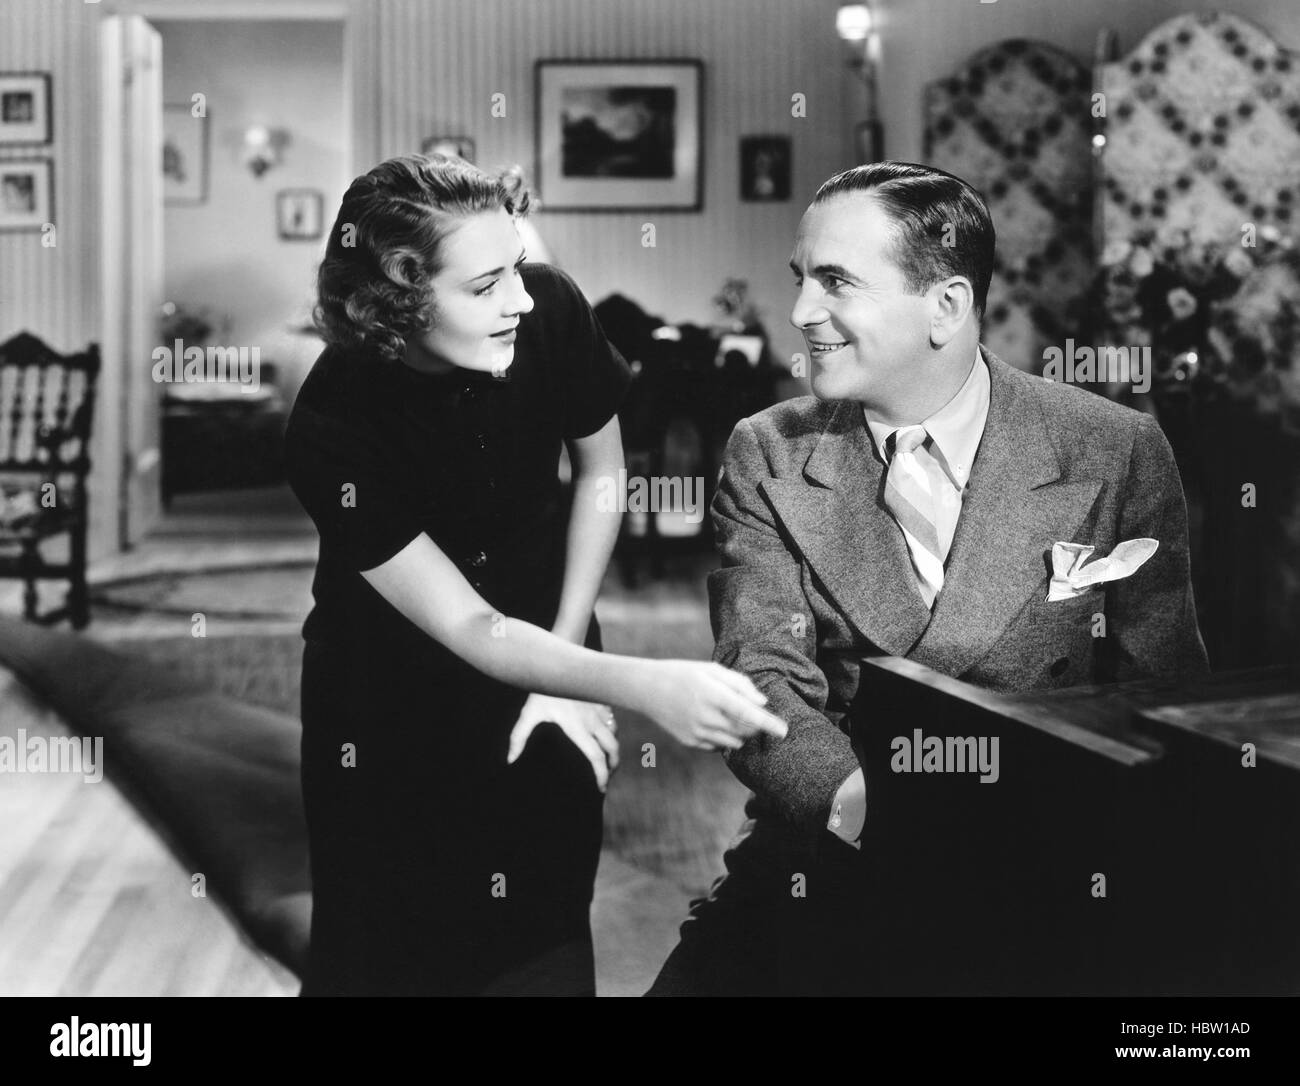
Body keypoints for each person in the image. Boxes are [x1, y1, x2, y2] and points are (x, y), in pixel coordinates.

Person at [647, 161, 1209, 996]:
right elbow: (761, 682)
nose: (802, 313)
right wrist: (879, 817)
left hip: (1046, 871)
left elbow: (1159, 700)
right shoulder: (768, 449)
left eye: (836, 282)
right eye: (801, 280)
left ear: (945, 306)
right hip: (830, 849)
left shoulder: (1113, 447)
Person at [283, 154, 786, 997]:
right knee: (382, 956)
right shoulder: (331, 429)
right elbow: (471, 628)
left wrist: (568, 674)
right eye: (484, 286)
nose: (519, 296)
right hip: (385, 703)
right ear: (399, 295)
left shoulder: (545, 308)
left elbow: (600, 474)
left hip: (556, 655)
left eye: (514, 265)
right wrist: (644, 683)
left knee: (542, 937)